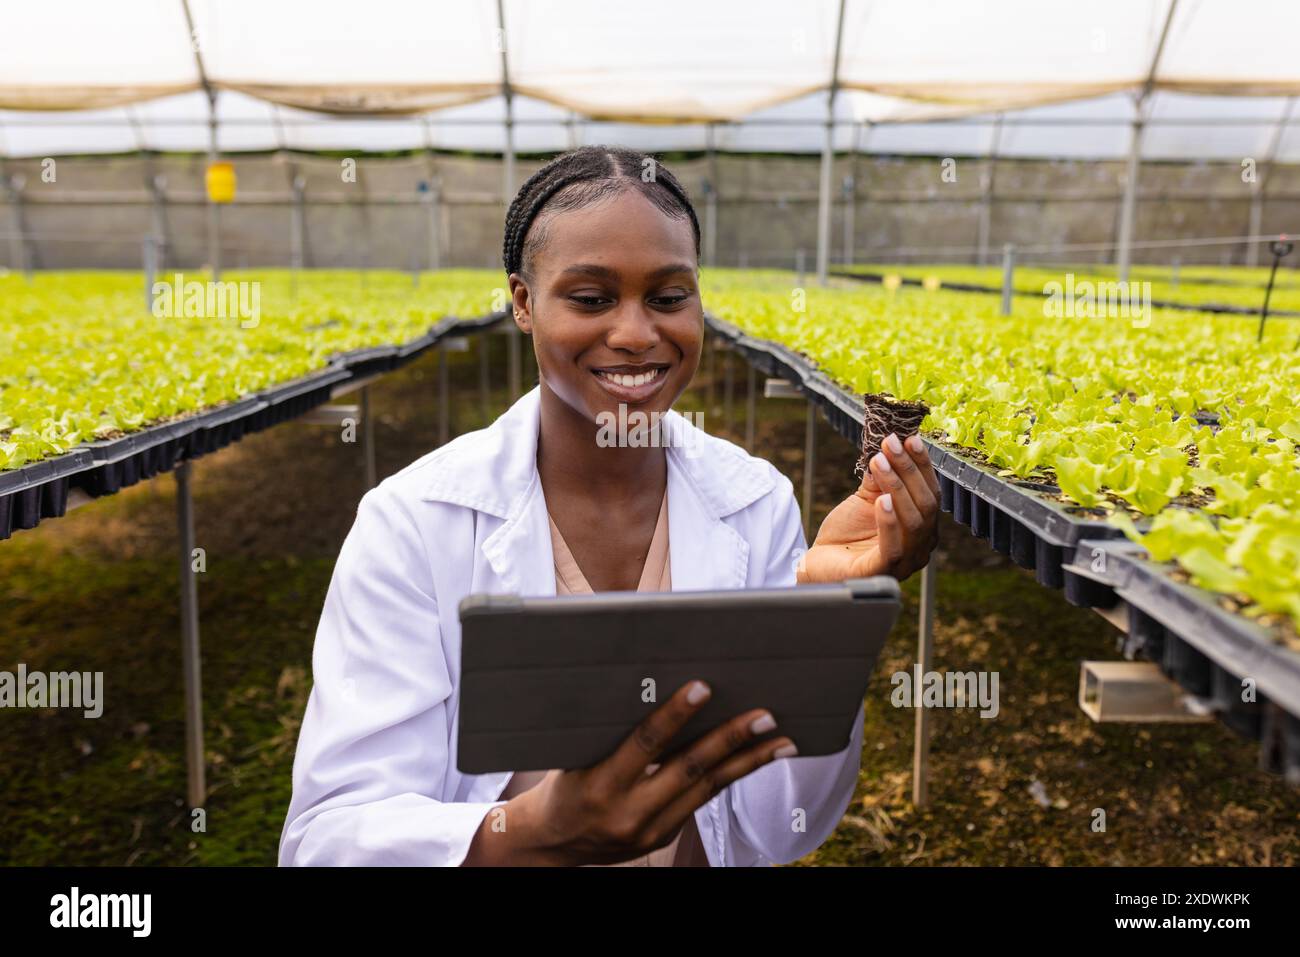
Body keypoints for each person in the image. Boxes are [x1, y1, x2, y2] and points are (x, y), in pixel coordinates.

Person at [278, 146, 940, 867]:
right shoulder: (413, 522)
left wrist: (823, 617)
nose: (634, 332)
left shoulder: (754, 501)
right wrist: (532, 832)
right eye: (591, 298)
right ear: (524, 302)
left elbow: (779, 827)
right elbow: (328, 839)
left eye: (668, 296)